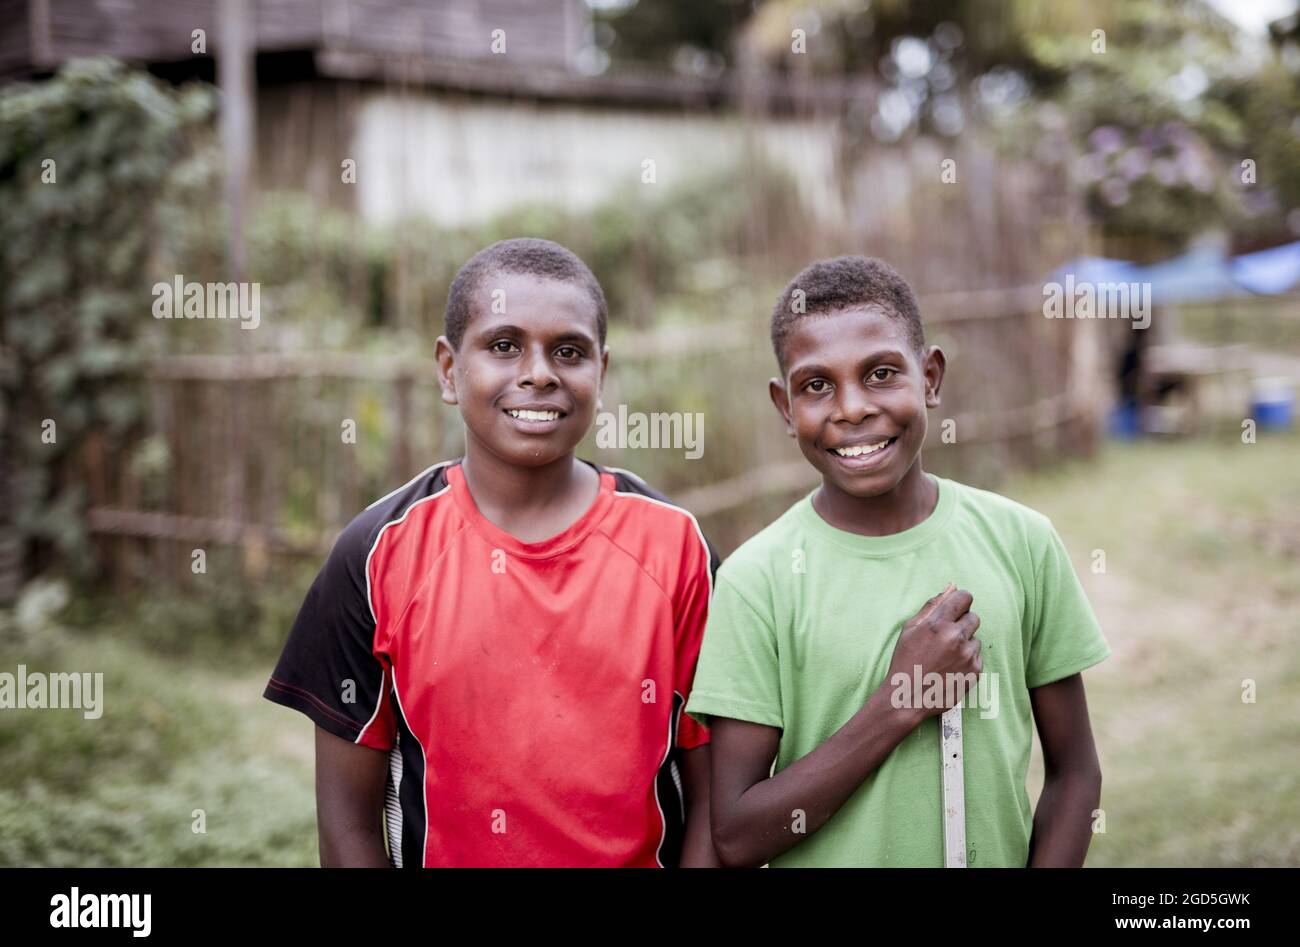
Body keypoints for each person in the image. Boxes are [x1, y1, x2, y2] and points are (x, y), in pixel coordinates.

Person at [265, 238, 719, 867]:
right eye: (504, 346)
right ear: (449, 371)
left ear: (602, 372)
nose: (539, 372)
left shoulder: (677, 550)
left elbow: (713, 808)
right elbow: (348, 826)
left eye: (569, 351)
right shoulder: (374, 555)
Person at [687, 255, 1109, 867]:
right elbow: (736, 834)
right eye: (816, 386)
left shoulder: (1021, 541)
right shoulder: (759, 581)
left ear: (930, 377)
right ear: (785, 407)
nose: (852, 408)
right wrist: (901, 701)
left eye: (881, 373)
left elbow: (1075, 774)